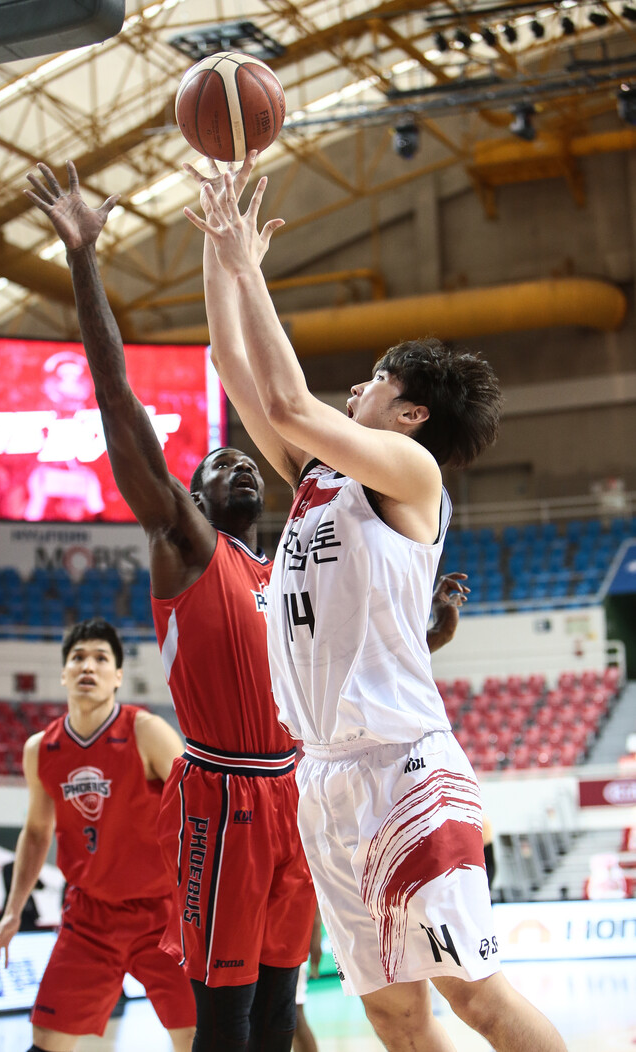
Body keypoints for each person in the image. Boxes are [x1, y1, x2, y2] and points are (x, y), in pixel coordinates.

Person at [22, 159, 467, 1052]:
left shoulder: (294, 564)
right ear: (188, 497)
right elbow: (162, 406)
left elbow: (359, 636)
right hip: (223, 794)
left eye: (240, 461)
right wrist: (88, 259)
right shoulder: (191, 548)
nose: (230, 461)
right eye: (210, 464)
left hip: (299, 796)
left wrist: (430, 620)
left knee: (279, 1014)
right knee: (224, 1025)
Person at [185, 166, 568, 1052]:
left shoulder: (411, 475)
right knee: (392, 1013)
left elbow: (283, 400)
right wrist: (217, 250)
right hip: (320, 777)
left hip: (402, 766)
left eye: (371, 381)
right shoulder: (318, 479)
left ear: (409, 414)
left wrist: (250, 268)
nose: (354, 390)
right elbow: (232, 369)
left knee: (474, 996)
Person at [0, 618, 195, 1052]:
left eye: (101, 658)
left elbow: (198, 813)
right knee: (46, 1039)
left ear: (118, 676)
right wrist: (12, 911)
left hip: (163, 914)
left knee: (195, 1038)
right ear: (63, 674)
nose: (87, 667)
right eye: (78, 658)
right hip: (89, 917)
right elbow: (37, 832)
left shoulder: (145, 731)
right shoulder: (40, 749)